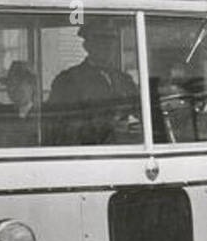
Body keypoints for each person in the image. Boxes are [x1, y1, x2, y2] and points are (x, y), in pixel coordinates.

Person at [47, 17, 141, 145]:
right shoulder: (68, 81)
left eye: (111, 40)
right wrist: (106, 126)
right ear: (87, 46)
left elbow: (140, 114)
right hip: (88, 156)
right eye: (101, 41)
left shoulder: (124, 80)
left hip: (125, 153)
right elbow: (58, 128)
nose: (108, 47)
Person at [0, 60, 40, 148]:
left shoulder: (42, 115)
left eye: (19, 83)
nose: (13, 89)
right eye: (10, 84)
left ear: (32, 86)